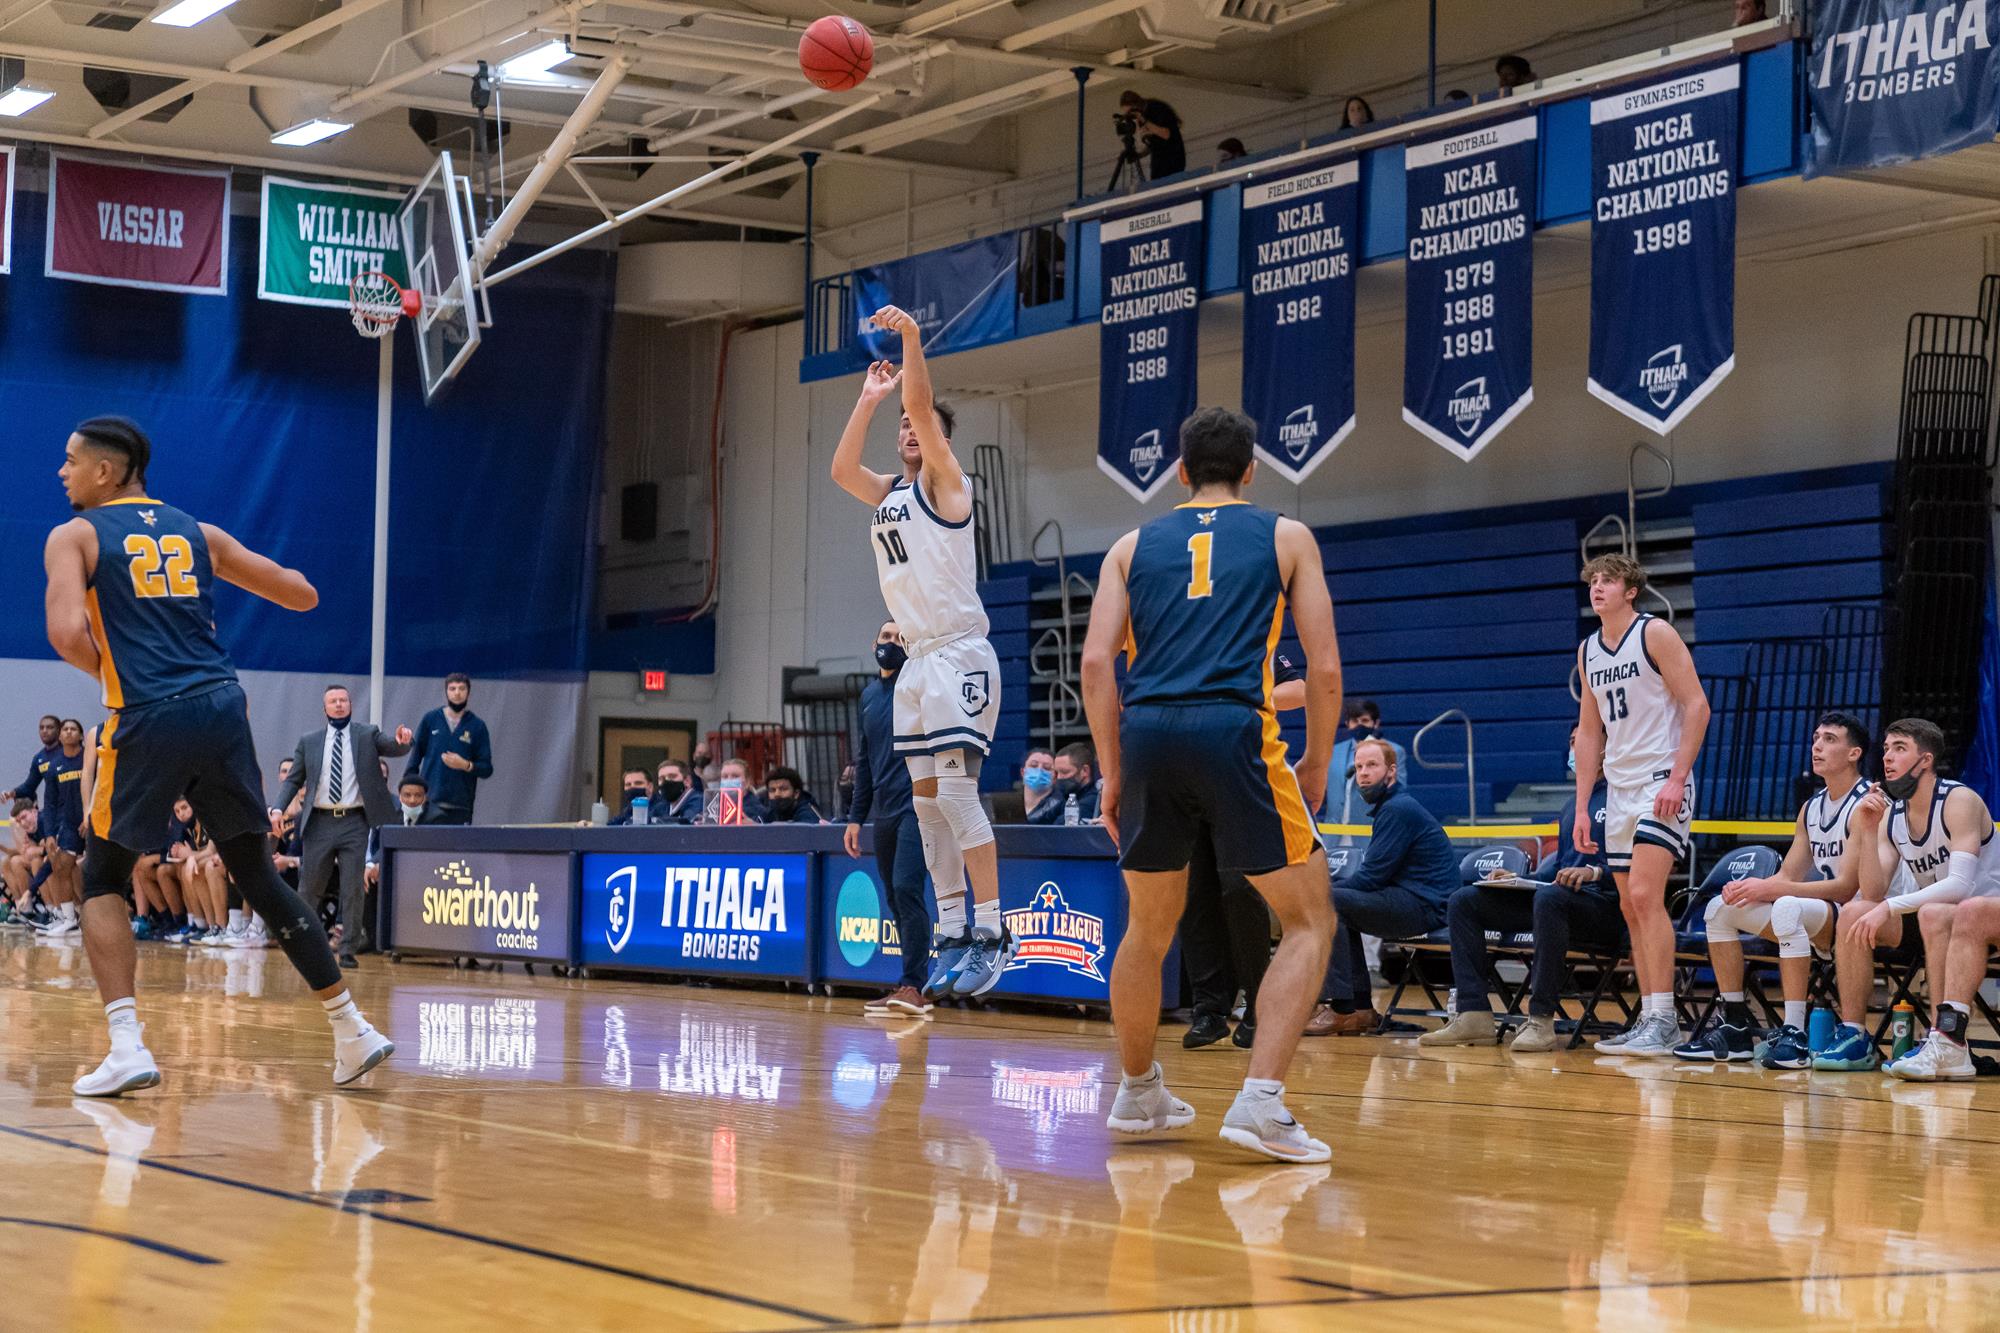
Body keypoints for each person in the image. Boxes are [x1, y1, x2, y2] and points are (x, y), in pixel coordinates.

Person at [43, 414, 391, 1096]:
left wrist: (124, 681)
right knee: (258, 874)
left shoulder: (75, 535)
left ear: (106, 472)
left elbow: (62, 632)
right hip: (223, 703)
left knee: (103, 878)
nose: (63, 472)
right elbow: (301, 592)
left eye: (71, 460)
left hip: (148, 711)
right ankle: (352, 1029)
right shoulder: (198, 532)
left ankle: (124, 1045)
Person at [1080, 404, 1342, 1164]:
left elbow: (1097, 664)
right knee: (1308, 918)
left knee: (1147, 926)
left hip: (1151, 730)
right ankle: (1260, 1101)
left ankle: (1137, 1091)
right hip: (1234, 727)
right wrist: (1318, 760)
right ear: (1253, 470)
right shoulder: (1286, 535)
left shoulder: (1131, 546)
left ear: (1180, 472)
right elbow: (1323, 668)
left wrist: (1113, 767)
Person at [831, 305, 1011, 999]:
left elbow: (921, 399)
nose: (906, 427)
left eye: (916, 422)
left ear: (935, 435)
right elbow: (844, 467)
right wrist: (866, 400)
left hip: (961, 653)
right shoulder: (889, 492)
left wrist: (909, 342)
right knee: (928, 805)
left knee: (958, 793)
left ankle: (994, 928)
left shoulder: (947, 485)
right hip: (917, 664)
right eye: (901, 425)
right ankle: (957, 928)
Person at [1674, 713, 1871, 1067]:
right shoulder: (1811, 808)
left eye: (1829, 739)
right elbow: (1787, 875)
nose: (1817, 746)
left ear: (1854, 753)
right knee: (1719, 908)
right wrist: (1754, 887)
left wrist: (1772, 889)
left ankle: (1794, 1033)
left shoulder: (1865, 804)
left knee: (1786, 906)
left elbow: (1846, 888)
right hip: (1817, 914)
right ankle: (1735, 1023)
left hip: (1858, 916)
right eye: (1815, 738)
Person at [1574, 554, 1709, 1057]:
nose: (1598, 588)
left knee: (1648, 895)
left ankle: (1665, 1018)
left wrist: (1677, 776)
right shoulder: (1588, 650)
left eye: (1608, 580)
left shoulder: (1655, 634)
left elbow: (1697, 705)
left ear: (1631, 590)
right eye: (1593, 581)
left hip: (1661, 779)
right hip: (1620, 786)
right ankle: (1651, 1014)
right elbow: (1590, 732)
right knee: (1631, 906)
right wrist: (1584, 804)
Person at [1421, 727, 1621, 1052]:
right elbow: (1557, 870)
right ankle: (1473, 1013)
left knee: (1549, 898)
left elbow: (1643, 868)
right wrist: (1514, 880)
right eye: (1569, 741)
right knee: (1465, 901)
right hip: (1558, 902)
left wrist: (1594, 872)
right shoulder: (1574, 804)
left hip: (1607, 909)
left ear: (1605, 747)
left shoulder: (1623, 796)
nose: (1573, 748)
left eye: (1579, 740)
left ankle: (1541, 1020)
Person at [1818, 719, 1998, 1073]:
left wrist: (1888, 907)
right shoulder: (1892, 815)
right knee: (1855, 912)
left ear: (1925, 760)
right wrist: (1868, 831)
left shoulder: (1959, 800)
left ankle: (1945, 1040)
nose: (1887, 757)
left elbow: (1960, 885)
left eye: (1899, 748)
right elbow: (1873, 891)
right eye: (1885, 749)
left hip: (1983, 915)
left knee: (1935, 911)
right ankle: (1855, 1036)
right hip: (1939, 920)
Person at [1305, 739, 1458, 1035]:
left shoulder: (1397, 809)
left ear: (1391, 771)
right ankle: (1358, 1008)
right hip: (1411, 899)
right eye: (1359, 767)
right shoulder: (1391, 807)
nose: (1363, 773)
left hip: (1425, 907)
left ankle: (1342, 1008)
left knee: (1330, 900)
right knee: (1336, 901)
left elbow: (1372, 878)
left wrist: (1324, 889)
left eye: (1371, 765)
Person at [274, 685, 413, 968]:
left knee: (352, 887)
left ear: (350, 704)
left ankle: (347, 950)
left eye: (343, 700)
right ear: (325, 708)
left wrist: (403, 741)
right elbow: (293, 780)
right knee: (310, 886)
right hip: (320, 821)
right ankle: (304, 945)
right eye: (333, 701)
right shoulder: (309, 741)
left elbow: (393, 745)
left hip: (354, 821)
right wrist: (277, 807)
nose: (339, 705)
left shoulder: (367, 733)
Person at [848, 620, 937, 1016]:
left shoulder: (919, 688)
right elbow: (864, 763)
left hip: (918, 807)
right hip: (883, 812)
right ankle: (908, 981)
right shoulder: (868, 696)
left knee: (906, 888)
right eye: (886, 636)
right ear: (873, 644)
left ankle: (916, 984)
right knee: (893, 897)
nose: (892, 642)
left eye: (901, 637)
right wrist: (855, 819)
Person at [404, 672, 492, 825]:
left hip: (461, 806)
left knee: (457, 848)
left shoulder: (477, 726)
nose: (457, 693)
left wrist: (465, 765)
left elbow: (486, 768)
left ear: (468, 693)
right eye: (452, 688)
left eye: (461, 688)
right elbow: (414, 761)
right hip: (430, 803)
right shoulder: (430, 720)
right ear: (446, 692)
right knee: (427, 847)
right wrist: (412, 796)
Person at [1026, 742, 1100, 825]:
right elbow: (1030, 821)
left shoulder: (1093, 800)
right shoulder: (1060, 796)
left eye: (1065, 772)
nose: (1059, 778)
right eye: (1057, 773)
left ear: (1085, 771)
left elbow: (1058, 830)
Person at [1118, 89, 1186, 180]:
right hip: (1158, 161)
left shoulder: (1157, 108)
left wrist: (1143, 120)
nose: (1131, 116)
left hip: (1173, 159)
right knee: (1155, 185)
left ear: (1136, 105)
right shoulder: (1142, 116)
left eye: (1130, 112)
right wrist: (1140, 155)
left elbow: (1166, 134)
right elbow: (1153, 142)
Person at [1, 713, 61, 807]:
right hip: (52, 809)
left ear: (59, 730)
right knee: (22, 798)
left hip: (75, 806)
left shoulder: (69, 751)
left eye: (49, 727)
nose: (44, 731)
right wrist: (9, 794)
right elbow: (29, 786)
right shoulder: (39, 758)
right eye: (41, 728)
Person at [651, 759, 702, 824]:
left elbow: (685, 826)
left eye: (672, 776)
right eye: (661, 779)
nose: (666, 781)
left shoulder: (699, 801)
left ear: (687, 781)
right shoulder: (662, 806)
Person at [1020, 748, 1057, 820]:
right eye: (1033, 765)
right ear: (1022, 772)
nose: (1039, 770)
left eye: (1047, 768)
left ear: (1055, 776)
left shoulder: (1061, 808)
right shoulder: (1007, 804)